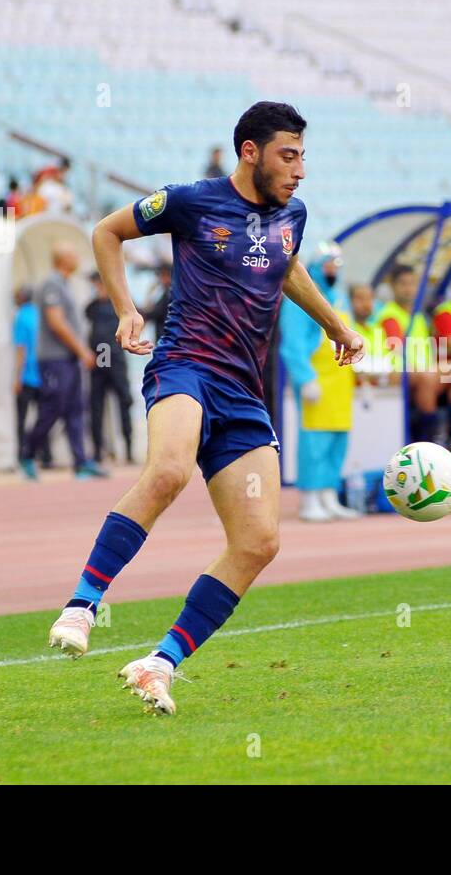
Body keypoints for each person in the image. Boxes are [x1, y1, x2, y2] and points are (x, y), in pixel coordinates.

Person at [45, 102, 363, 715]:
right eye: (287, 155)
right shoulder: (191, 200)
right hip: (185, 366)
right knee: (167, 471)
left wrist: (336, 326)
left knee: (259, 542)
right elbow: (106, 232)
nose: (299, 170)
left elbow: (285, 263)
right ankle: (83, 605)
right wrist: (126, 309)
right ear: (251, 152)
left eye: (303, 156)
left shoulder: (292, 215)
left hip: (244, 393)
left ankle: (158, 662)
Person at [279, 243, 359, 522]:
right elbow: (293, 343)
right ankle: (310, 498)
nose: (332, 271)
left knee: (338, 438)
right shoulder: (301, 298)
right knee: (314, 440)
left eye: (336, 266)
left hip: (340, 380)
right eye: (327, 265)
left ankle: (329, 494)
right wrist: (305, 379)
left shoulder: (339, 297)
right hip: (317, 378)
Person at [20, 243, 107, 480]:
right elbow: (56, 322)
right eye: (74, 254)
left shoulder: (66, 285)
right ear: (62, 259)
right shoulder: (52, 284)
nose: (77, 258)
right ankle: (27, 454)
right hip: (54, 359)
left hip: (68, 359)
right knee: (52, 408)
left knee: (75, 409)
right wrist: (82, 350)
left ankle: (81, 462)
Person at [375, 264, 441, 441]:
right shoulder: (390, 315)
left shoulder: (417, 317)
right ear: (393, 287)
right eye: (403, 284)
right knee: (427, 378)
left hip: (420, 372)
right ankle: (429, 438)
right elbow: (397, 352)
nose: (408, 288)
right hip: (395, 372)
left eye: (412, 284)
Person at [84, 271, 134, 464]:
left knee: (124, 402)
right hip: (100, 360)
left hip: (117, 360)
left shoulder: (121, 306)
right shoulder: (93, 307)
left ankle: (128, 450)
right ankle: (97, 451)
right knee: (96, 405)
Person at [11, 286, 52, 468]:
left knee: (22, 418)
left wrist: (17, 378)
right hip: (44, 372)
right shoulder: (39, 315)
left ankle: (23, 454)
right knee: (44, 417)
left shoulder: (20, 317)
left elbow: (21, 350)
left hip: (28, 375)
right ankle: (46, 456)